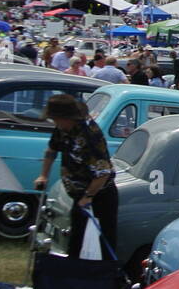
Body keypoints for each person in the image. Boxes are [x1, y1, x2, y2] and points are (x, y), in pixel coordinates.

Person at [35, 94, 121, 272]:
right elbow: (51, 150)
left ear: (68, 118)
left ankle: (107, 275)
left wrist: (88, 196)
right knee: (76, 235)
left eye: (56, 119)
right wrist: (43, 175)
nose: (55, 122)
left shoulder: (90, 135)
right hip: (79, 191)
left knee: (105, 236)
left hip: (101, 192)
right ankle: (72, 273)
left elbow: (103, 172)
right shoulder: (62, 129)